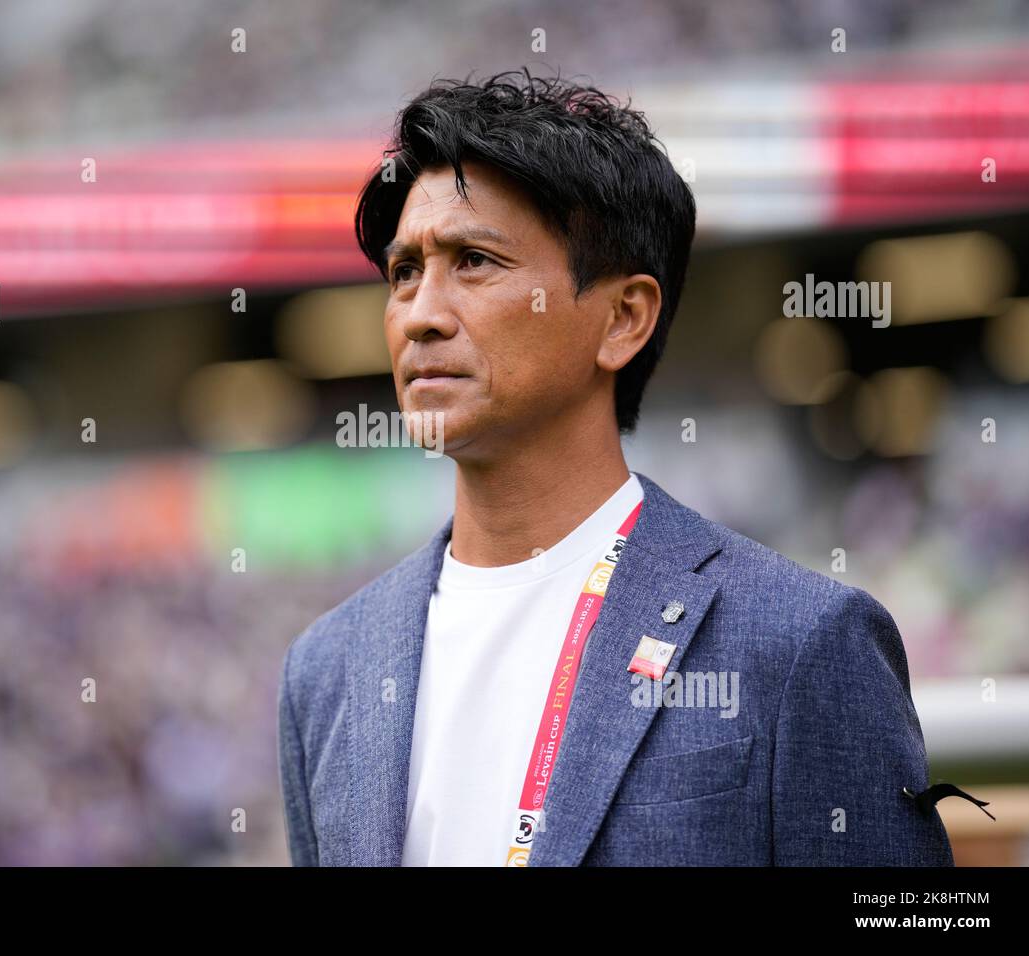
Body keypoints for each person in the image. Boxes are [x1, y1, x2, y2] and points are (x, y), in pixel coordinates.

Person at [276, 70, 954, 866]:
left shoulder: (801, 641)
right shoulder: (328, 671)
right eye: (404, 273)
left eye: (474, 261)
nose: (420, 313)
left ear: (623, 318)